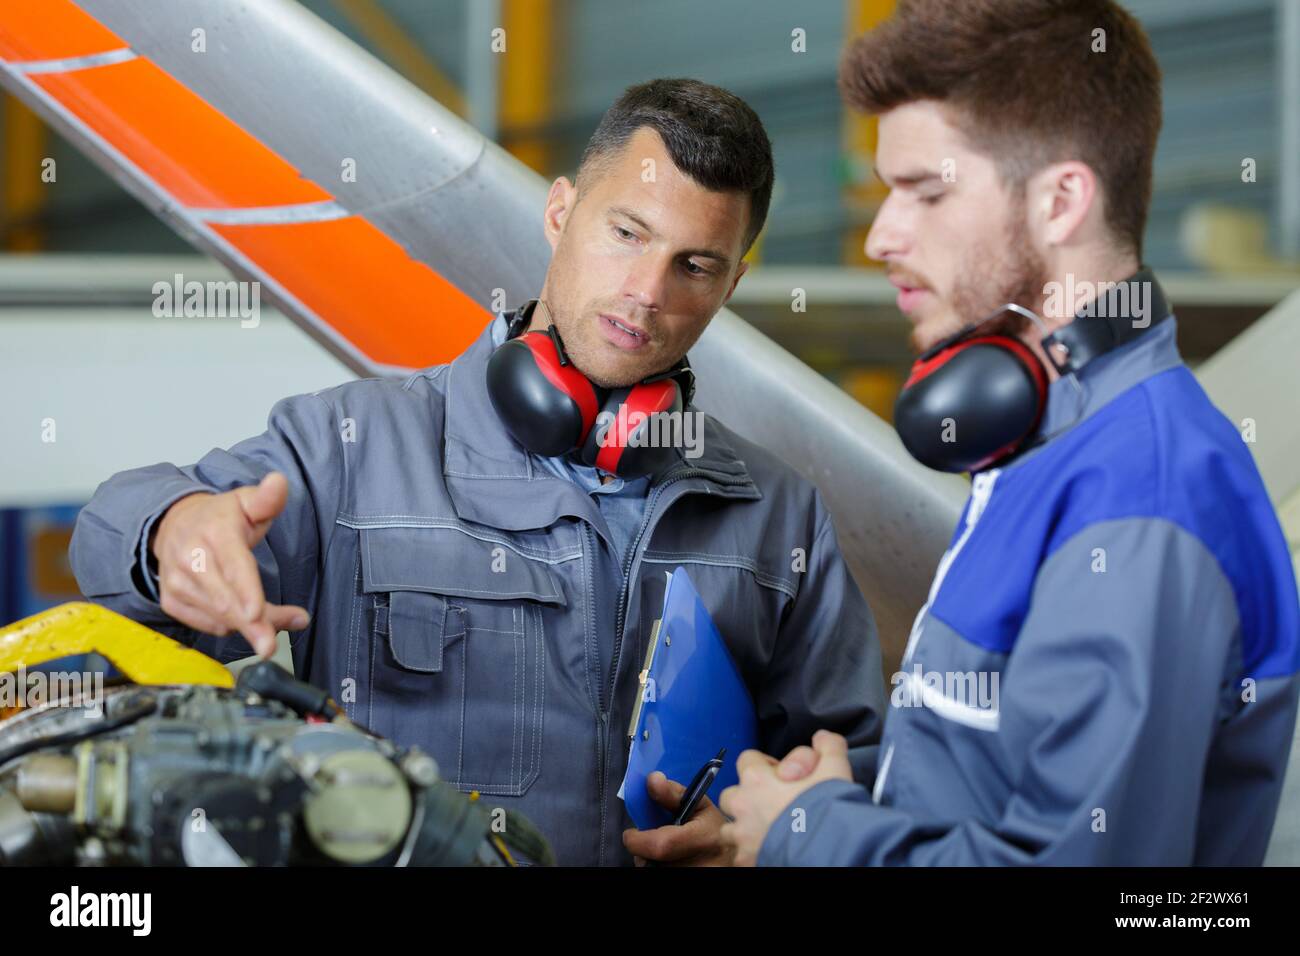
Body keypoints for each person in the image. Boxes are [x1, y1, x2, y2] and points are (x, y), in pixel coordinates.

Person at [68, 78, 885, 866]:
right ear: (560, 212)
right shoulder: (354, 445)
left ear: (732, 283)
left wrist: (776, 836)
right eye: (626, 233)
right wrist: (173, 528)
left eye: (695, 266)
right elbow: (115, 540)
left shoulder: (779, 515)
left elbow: (858, 765)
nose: (645, 292)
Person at [719, 0, 1299, 866]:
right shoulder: (1046, 446)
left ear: (1062, 200)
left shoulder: (1140, 504)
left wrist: (808, 836)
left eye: (927, 191)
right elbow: (997, 776)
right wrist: (840, 793)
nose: (881, 236)